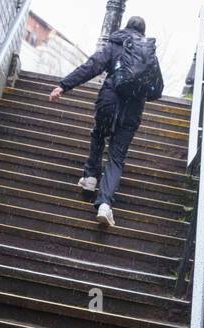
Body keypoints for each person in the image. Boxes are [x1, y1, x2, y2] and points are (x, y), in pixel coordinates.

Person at [48, 15, 162, 228]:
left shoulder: (114, 44)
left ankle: (90, 177)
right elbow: (157, 90)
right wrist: (138, 92)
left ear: (126, 27)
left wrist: (63, 86)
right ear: (143, 33)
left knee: (99, 135)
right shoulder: (149, 55)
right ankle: (104, 205)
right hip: (132, 109)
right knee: (117, 156)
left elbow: (91, 67)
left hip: (108, 101)